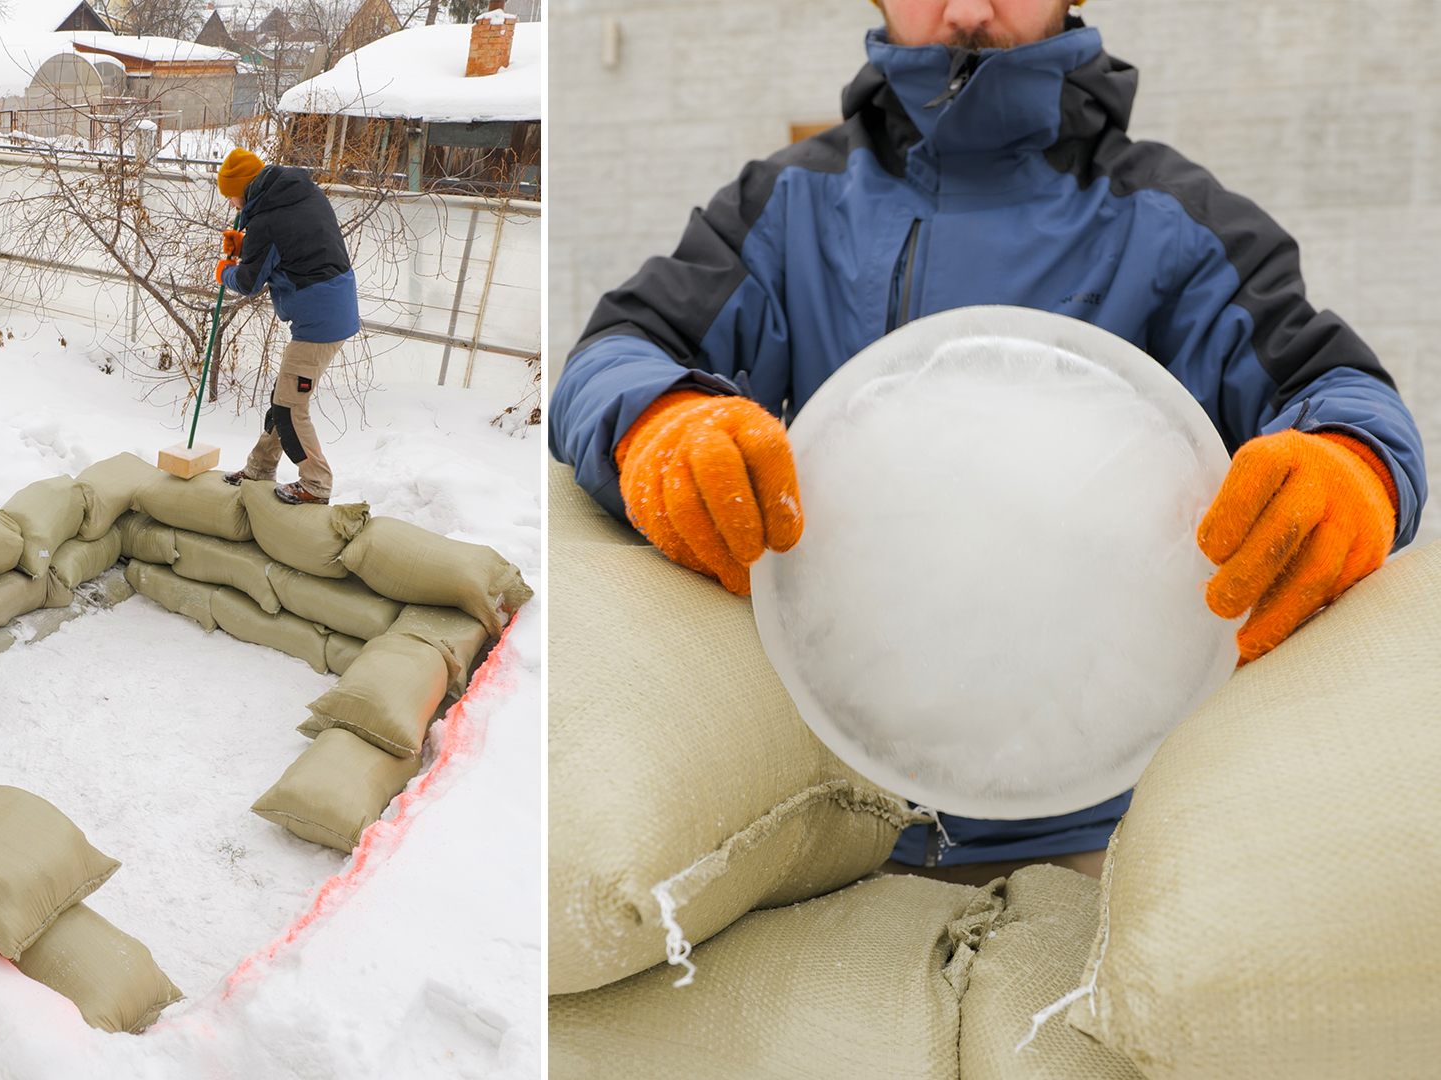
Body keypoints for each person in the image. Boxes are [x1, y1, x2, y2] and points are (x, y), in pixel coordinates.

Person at [549, 0, 1427, 883]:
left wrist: (1351, 465)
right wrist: (661, 420)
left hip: (1115, 819)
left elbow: (1336, 390)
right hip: (836, 816)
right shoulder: (790, 210)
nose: (968, 9)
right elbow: (618, 354)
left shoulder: (1170, 226)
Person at [212, 147, 361, 506]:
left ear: (245, 188)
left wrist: (225, 270)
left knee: (289, 408)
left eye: (231, 195)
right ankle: (260, 467)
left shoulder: (267, 220)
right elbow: (296, 244)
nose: (232, 204)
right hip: (331, 305)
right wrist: (250, 247)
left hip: (319, 319)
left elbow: (248, 282)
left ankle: (316, 483)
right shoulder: (300, 192)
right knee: (284, 400)